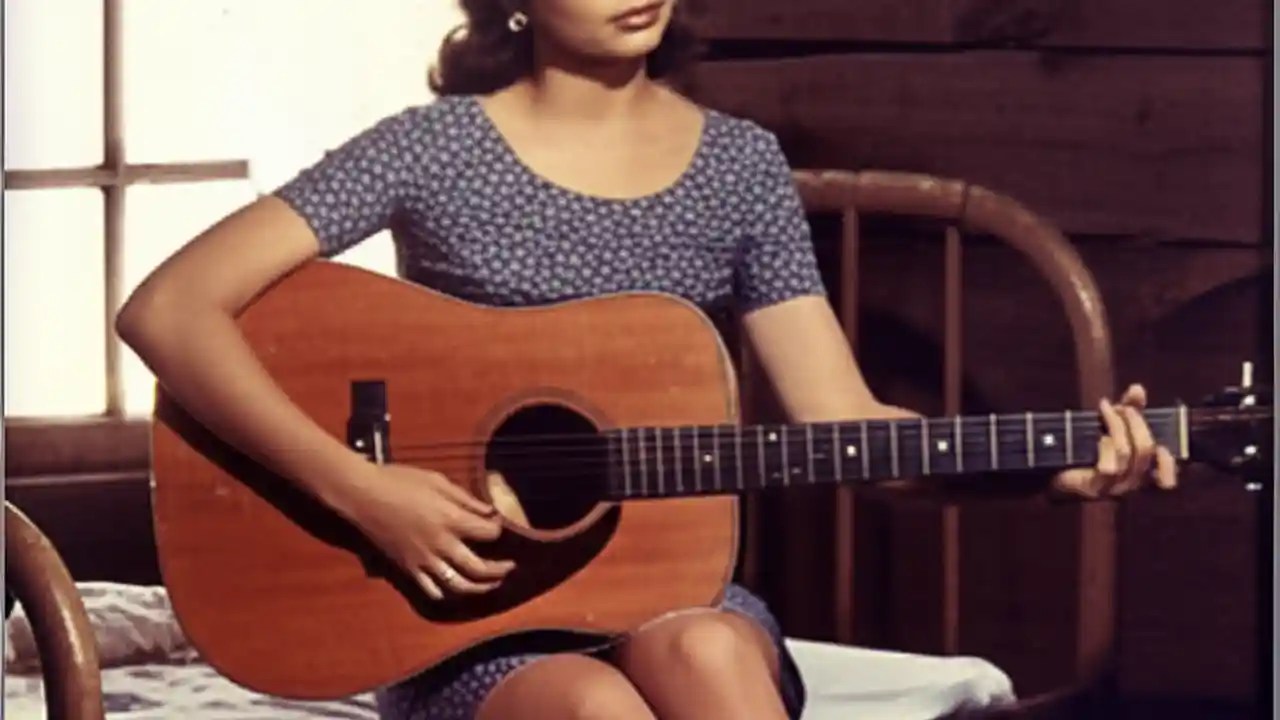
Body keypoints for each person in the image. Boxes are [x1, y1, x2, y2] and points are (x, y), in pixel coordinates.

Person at [115, 1, 1180, 718]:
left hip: (676, 592)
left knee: (706, 654)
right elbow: (169, 309)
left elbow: (841, 428)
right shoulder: (429, 149)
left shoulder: (737, 166)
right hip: (463, 615)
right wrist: (364, 492)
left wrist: (1048, 469)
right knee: (591, 708)